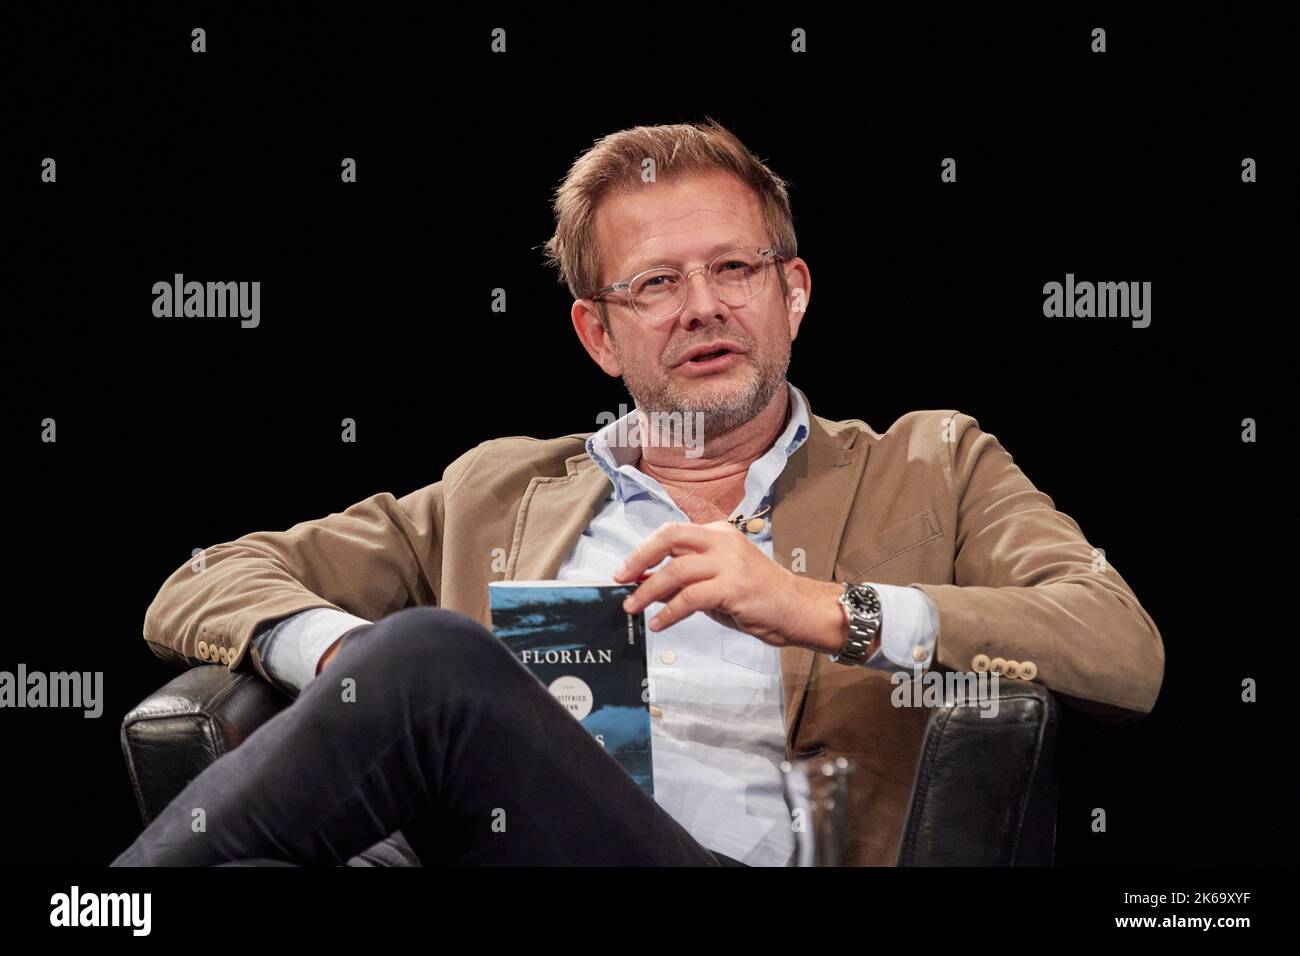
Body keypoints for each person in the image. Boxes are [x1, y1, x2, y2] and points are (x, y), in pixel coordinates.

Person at [113, 119, 1164, 868]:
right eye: (655, 283)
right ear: (598, 334)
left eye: (736, 269)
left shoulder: (933, 463)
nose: (702, 306)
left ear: (791, 294)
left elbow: (1119, 646)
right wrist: (349, 658)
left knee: (432, 651)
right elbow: (203, 582)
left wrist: (828, 608)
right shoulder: (502, 486)